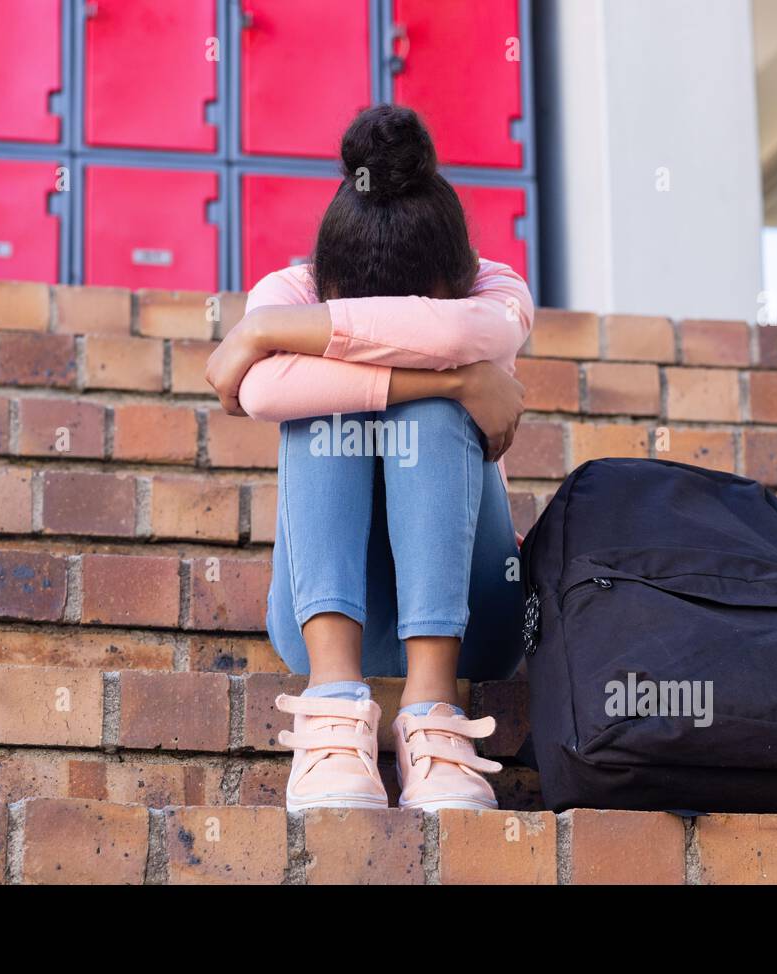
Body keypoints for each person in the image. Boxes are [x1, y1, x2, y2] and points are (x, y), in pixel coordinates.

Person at [205, 105, 532, 812]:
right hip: (320, 619)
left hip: (476, 616)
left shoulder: (496, 290)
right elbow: (262, 392)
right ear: (322, 281)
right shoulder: (289, 290)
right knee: (326, 405)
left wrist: (268, 332)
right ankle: (332, 707)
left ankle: (433, 713)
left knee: (426, 412)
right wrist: (458, 378)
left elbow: (473, 333)